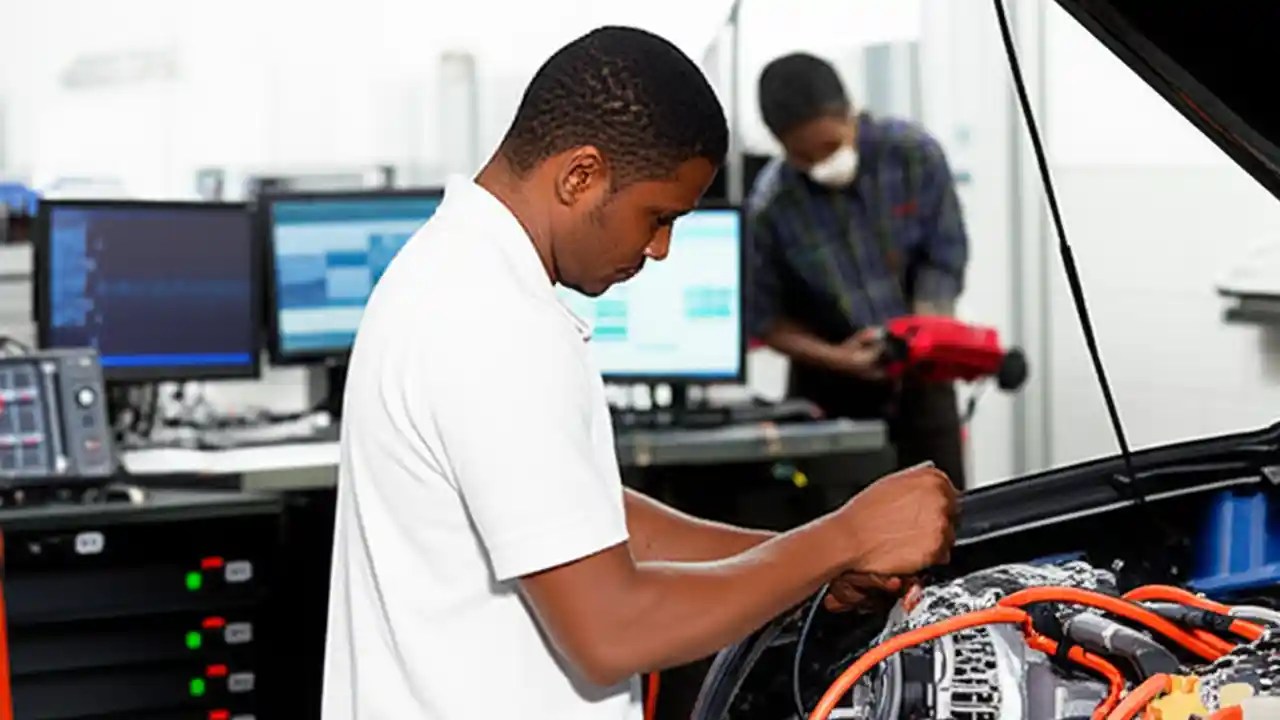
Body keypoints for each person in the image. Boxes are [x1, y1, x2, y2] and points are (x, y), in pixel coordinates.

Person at [321, 27, 958, 720]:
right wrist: (841, 539)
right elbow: (612, 630)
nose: (659, 249)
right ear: (580, 175)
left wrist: (820, 568)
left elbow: (596, 522)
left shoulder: (453, 272)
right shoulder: (492, 320)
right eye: (657, 216)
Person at [748, 52, 971, 489]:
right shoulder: (773, 205)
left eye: (829, 147)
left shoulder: (913, 156)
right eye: (803, 157)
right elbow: (765, 319)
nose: (819, 163)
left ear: (850, 114)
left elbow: (945, 258)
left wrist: (919, 336)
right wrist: (840, 358)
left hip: (923, 378)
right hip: (828, 391)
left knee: (945, 517)